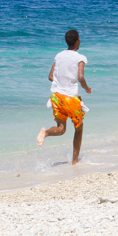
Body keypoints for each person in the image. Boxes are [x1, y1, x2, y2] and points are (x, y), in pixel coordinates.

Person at [37, 29, 92, 165]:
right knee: (78, 128)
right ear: (78, 40)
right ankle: (74, 161)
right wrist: (87, 89)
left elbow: (50, 76)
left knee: (61, 129)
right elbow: (80, 77)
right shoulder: (80, 58)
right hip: (71, 99)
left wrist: (61, 81)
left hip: (57, 97)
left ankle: (46, 133)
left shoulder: (59, 56)